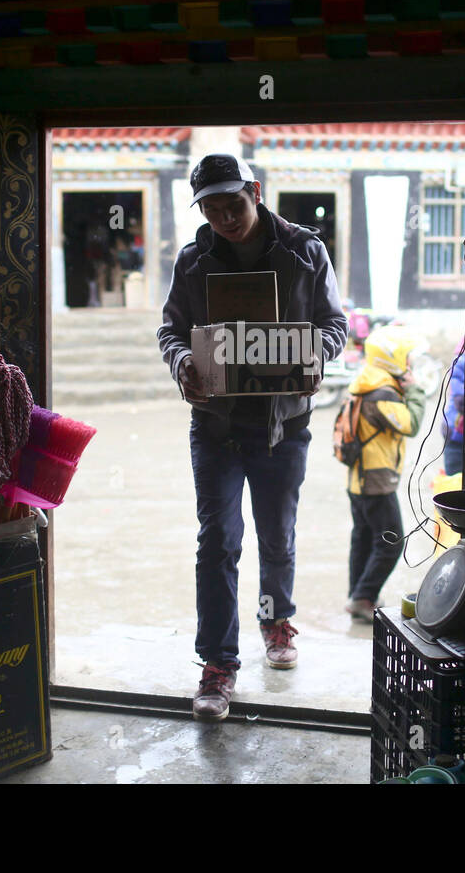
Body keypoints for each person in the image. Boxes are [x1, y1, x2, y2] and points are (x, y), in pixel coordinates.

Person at [157, 153, 347, 721]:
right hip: (215, 427)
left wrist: (316, 352)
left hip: (282, 426)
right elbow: (171, 329)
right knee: (217, 541)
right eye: (211, 210)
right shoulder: (193, 262)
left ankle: (275, 619)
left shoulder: (304, 251)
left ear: (255, 192)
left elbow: (334, 325)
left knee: (276, 534)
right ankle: (218, 664)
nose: (224, 219)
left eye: (231, 205)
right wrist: (183, 361)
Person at [344, 326, 427, 623]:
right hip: (376, 480)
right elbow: (411, 424)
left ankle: (357, 596)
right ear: (393, 359)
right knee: (392, 542)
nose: (410, 363)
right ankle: (364, 597)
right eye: (406, 357)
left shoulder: (366, 381)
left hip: (358, 478)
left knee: (363, 538)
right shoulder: (382, 393)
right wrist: (415, 389)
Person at [441, 345, 465, 476]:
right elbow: (461, 401)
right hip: (455, 436)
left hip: (464, 436)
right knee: (454, 481)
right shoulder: (462, 361)